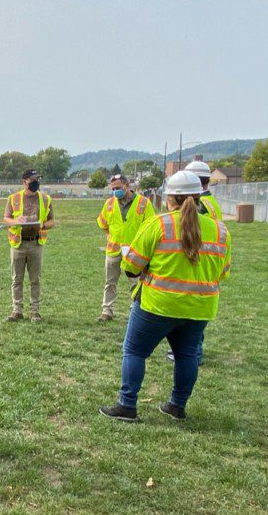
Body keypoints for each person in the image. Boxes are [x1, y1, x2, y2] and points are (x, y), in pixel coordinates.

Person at [100, 170, 231, 422]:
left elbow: (131, 266)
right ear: (199, 196)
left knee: (134, 351)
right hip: (200, 306)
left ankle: (127, 405)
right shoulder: (220, 230)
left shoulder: (159, 224)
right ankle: (177, 406)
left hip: (157, 304)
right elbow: (222, 272)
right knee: (187, 355)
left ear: (169, 197)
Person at [95, 173, 155, 322]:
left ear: (127, 185)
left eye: (118, 188)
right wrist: (109, 235)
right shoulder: (109, 203)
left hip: (135, 251)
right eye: (113, 189)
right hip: (114, 250)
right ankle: (107, 311)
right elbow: (102, 223)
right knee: (110, 282)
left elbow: (151, 226)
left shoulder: (144, 203)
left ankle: (135, 310)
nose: (115, 191)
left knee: (136, 282)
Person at [3, 168, 54, 321]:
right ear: (24, 181)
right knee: (16, 279)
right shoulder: (13, 198)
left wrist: (43, 225)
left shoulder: (45, 199)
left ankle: (34, 311)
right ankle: (17, 310)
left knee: (35, 280)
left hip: (36, 243)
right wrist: (16, 221)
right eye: (32, 180)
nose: (36, 182)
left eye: (37, 179)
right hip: (18, 244)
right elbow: (6, 219)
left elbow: (52, 221)